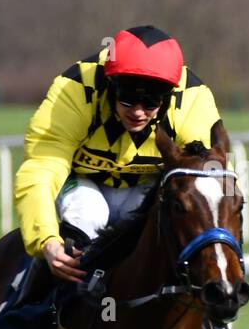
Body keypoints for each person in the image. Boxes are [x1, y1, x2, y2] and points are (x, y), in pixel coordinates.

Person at [13, 25, 223, 296]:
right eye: (127, 98)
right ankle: (14, 323)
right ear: (111, 86)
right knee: (88, 217)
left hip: (146, 188)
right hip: (83, 183)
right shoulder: (77, 89)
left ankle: (211, 328)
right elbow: (42, 168)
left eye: (150, 102)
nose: (137, 112)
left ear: (169, 95)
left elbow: (206, 184)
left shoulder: (193, 99)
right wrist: (47, 242)